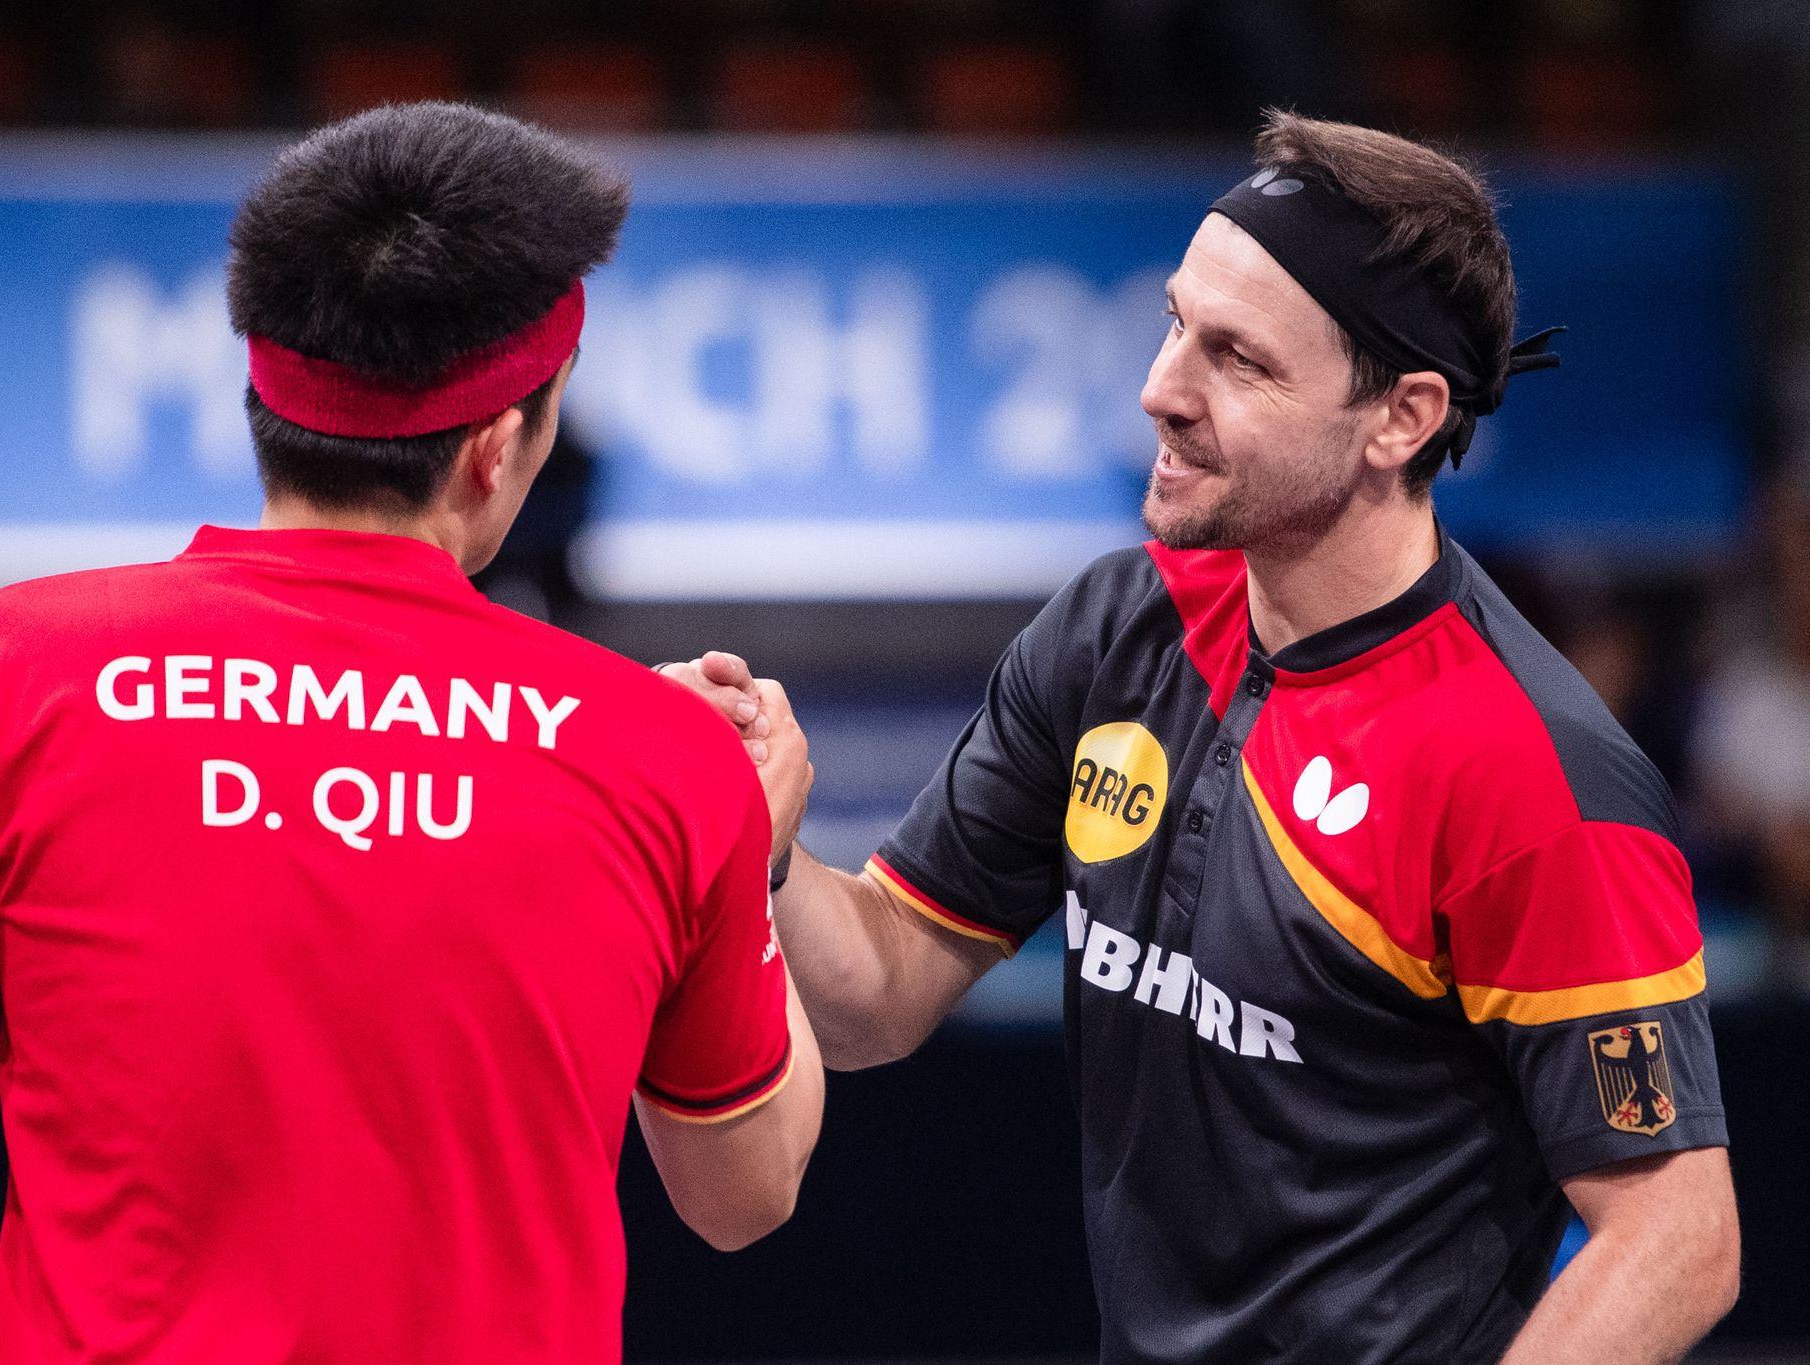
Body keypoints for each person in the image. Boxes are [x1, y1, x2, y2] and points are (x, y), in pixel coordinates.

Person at [667, 112, 1738, 1363]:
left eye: (1237, 359)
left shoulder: (1533, 775)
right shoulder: (1117, 626)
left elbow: (1677, 1233)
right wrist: (770, 847)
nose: (1159, 389)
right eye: (1176, 322)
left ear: (1401, 417)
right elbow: (878, 997)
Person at [0, 102, 823, 1365]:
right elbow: (742, 1196)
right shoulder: (661, 759)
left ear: (262, 386)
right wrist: (756, 859)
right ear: (500, 448)